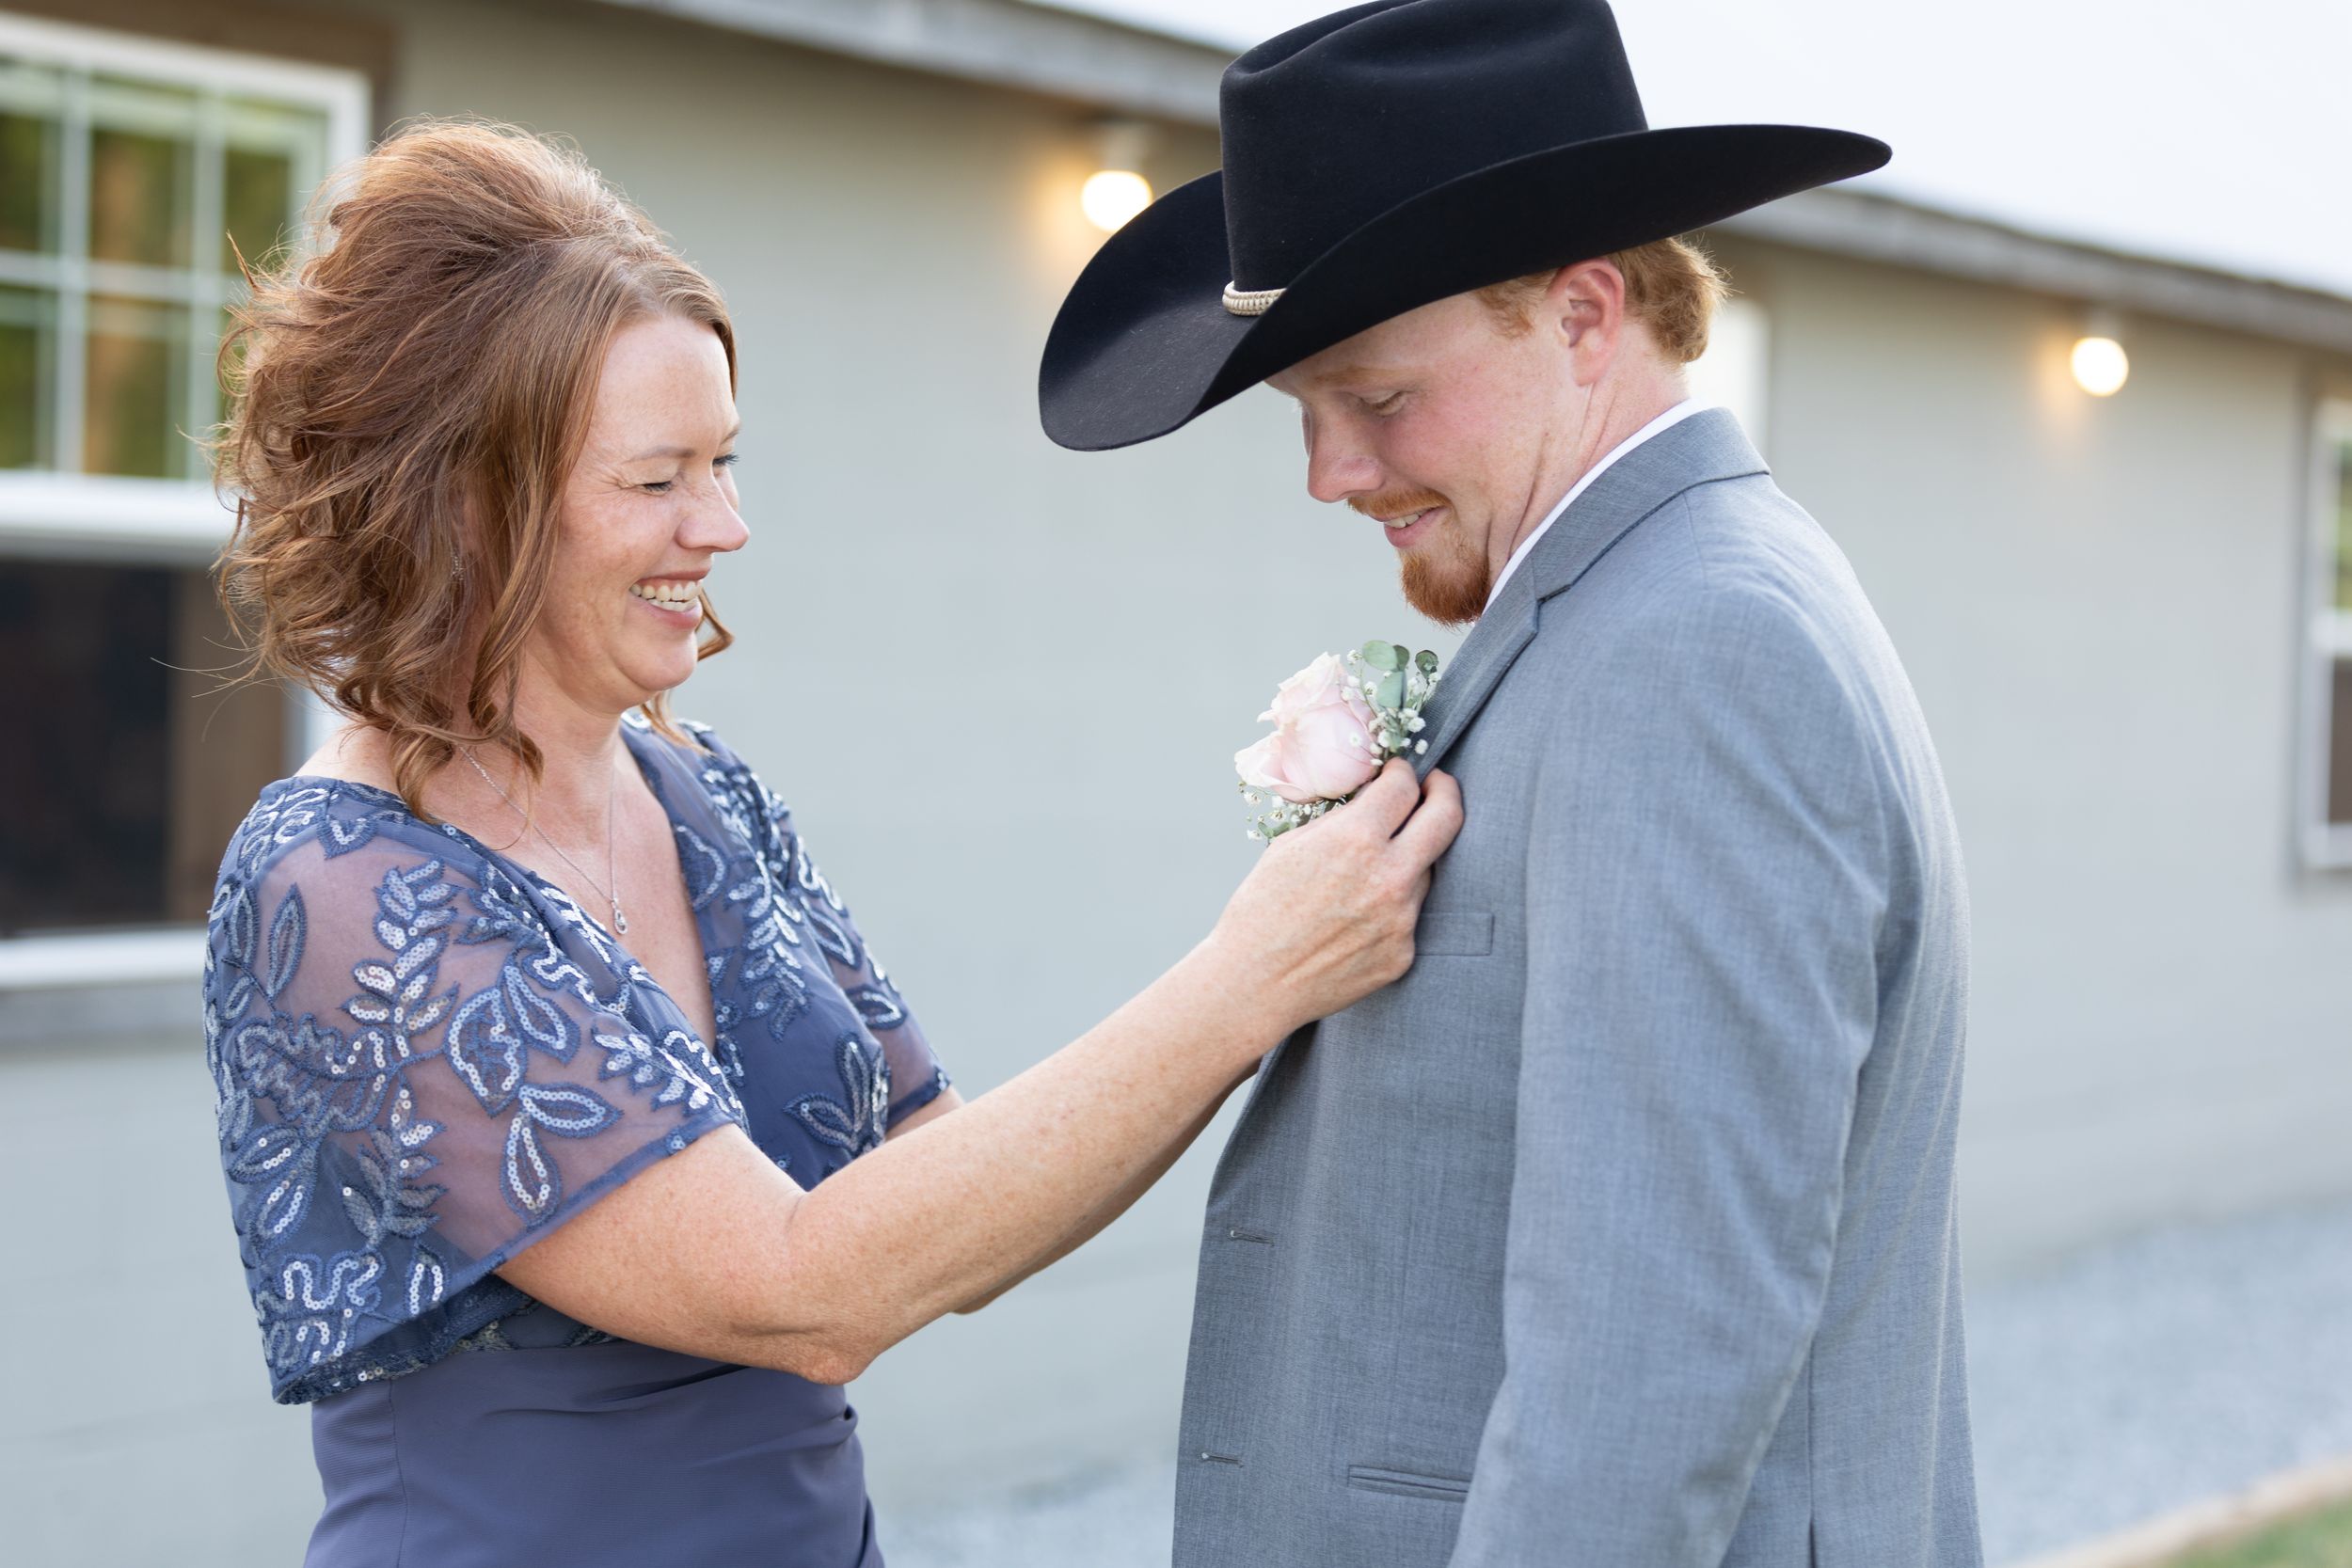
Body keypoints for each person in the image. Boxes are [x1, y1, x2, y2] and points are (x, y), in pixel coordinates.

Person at [203, 119, 1461, 1568]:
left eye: (725, 462)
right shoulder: (344, 883)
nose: (725, 526)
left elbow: (952, 1195)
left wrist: (1293, 976)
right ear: (470, 505)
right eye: (659, 479)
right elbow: (800, 1292)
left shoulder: (706, 797)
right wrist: (1251, 975)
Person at [1039, 2, 1981, 1564]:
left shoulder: (1693, 652)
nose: (1330, 474)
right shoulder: (1648, 607)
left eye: (1376, 399)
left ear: (1586, 315)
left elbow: (1647, 1371)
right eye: (1306, 416)